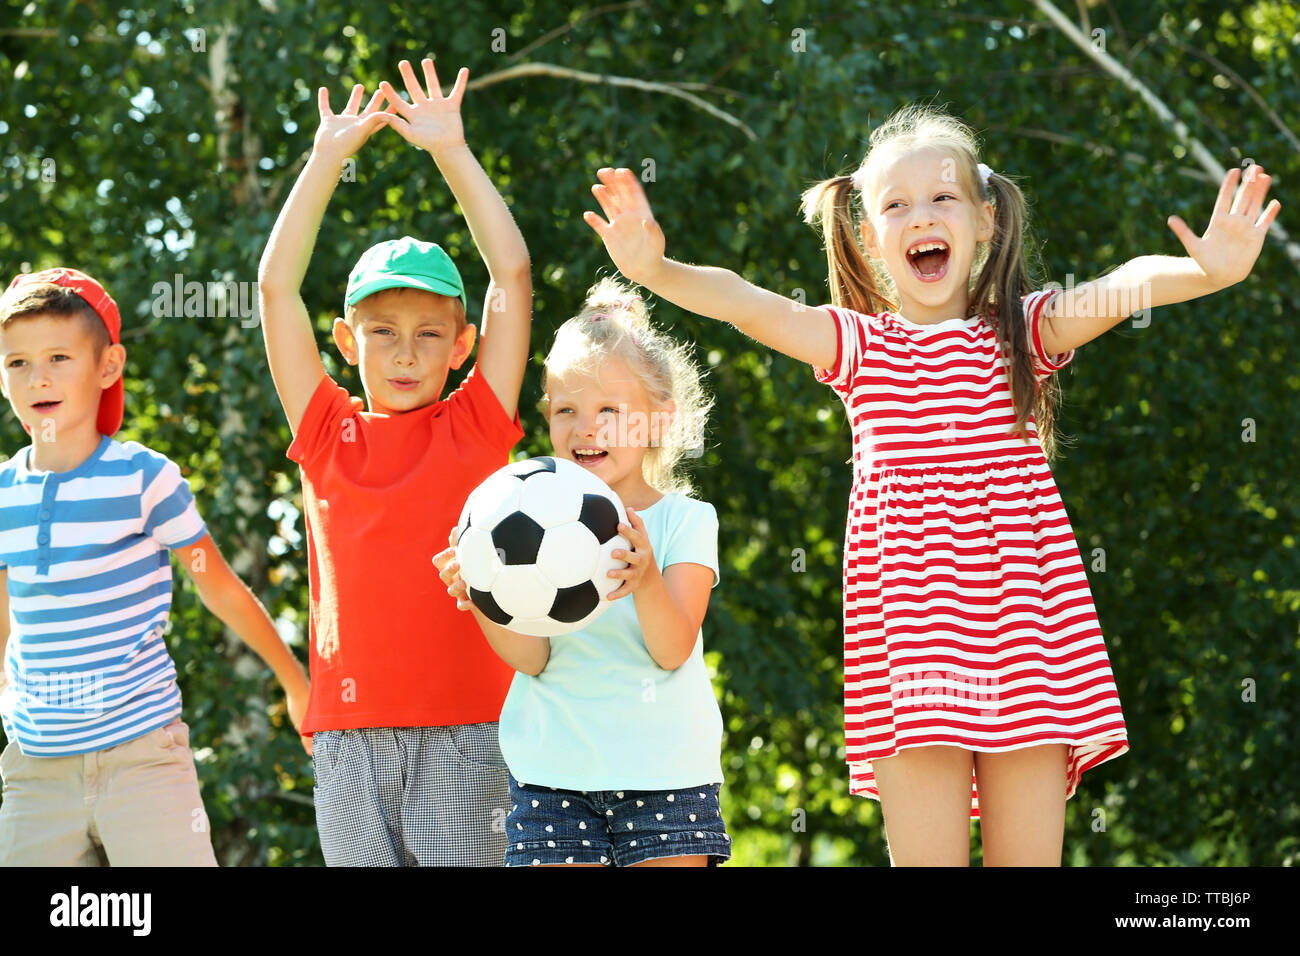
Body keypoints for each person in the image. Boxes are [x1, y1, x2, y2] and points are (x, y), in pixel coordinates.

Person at [579, 105, 1280, 865]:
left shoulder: (1024, 331)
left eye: (942, 197)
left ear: (984, 219)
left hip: (1031, 637)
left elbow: (1121, 286)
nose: (921, 215)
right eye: (895, 204)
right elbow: (747, 302)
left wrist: (1208, 270)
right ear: (872, 238)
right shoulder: (858, 346)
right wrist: (654, 270)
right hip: (912, 644)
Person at [257, 58, 531, 865]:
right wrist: (324, 160)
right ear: (346, 341)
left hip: (470, 737)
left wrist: (451, 149)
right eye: (382, 331)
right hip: (346, 740)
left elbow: (509, 271)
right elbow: (276, 289)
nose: (405, 353)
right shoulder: (324, 432)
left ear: (461, 346)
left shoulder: (477, 424)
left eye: (427, 333)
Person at [0, 267, 310, 865]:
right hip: (35, 774)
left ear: (108, 367)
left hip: (142, 760)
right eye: (17, 362)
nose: (37, 377)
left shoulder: (145, 479)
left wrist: (295, 684)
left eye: (59, 356)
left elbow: (218, 588)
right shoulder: (3, 494)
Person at [435, 277, 730, 867]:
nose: (584, 427)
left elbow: (672, 649)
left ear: (656, 421)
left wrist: (645, 580)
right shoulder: (519, 514)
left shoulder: (685, 522)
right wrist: (483, 596)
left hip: (666, 776)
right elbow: (533, 659)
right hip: (551, 778)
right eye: (565, 409)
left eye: (607, 411)